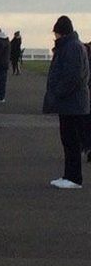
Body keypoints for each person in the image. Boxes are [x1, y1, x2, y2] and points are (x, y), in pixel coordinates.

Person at [42, 15, 88, 189]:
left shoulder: (72, 48)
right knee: (68, 140)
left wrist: (58, 92)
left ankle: (74, 178)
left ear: (61, 32)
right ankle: (69, 176)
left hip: (72, 103)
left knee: (71, 141)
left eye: (56, 33)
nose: (55, 37)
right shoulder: (73, 46)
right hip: (72, 103)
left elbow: (73, 76)